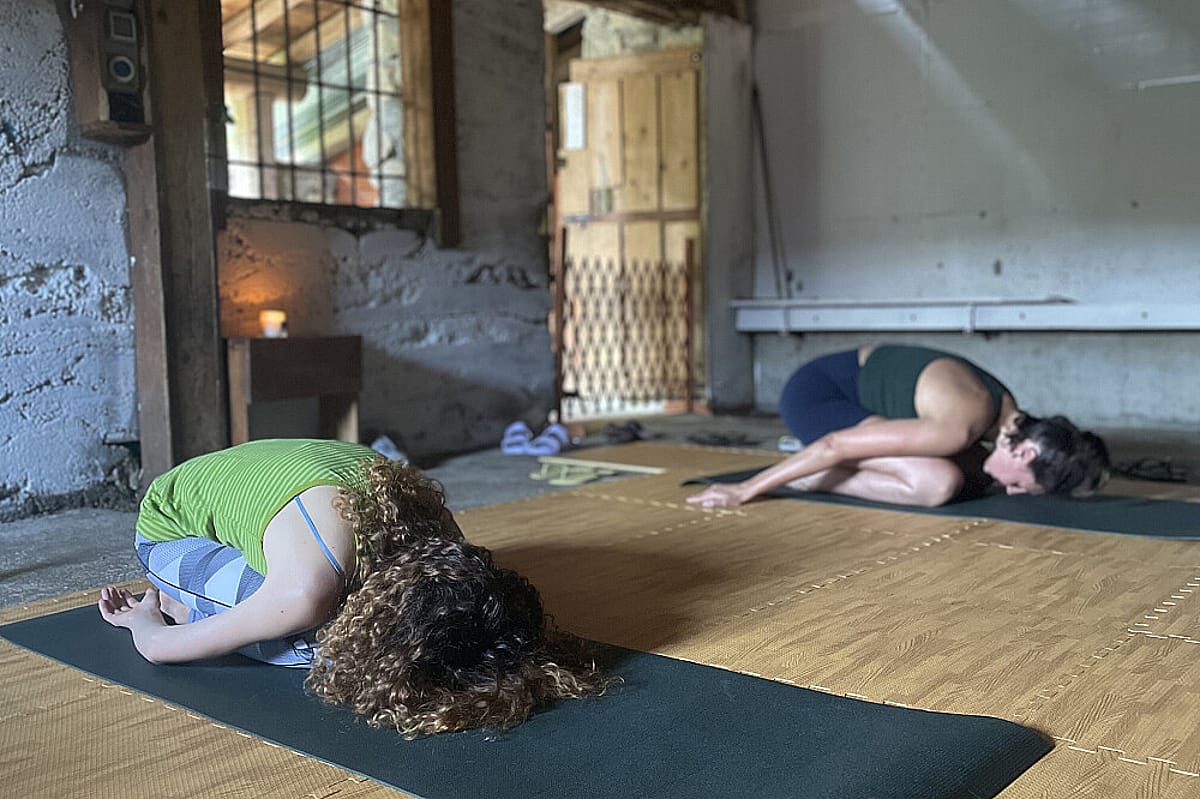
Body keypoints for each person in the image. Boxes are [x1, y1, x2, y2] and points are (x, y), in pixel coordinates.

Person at [98, 438, 609, 737]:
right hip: (172, 527)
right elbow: (158, 649)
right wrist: (143, 620)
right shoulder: (308, 588)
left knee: (330, 620)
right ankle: (190, 599)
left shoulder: (443, 540)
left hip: (279, 479)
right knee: (321, 648)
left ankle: (227, 607)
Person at [686, 344, 1110, 509]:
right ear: (1025, 451)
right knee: (936, 482)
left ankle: (815, 466)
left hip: (865, 397)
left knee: (972, 475)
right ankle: (809, 476)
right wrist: (743, 490)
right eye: (1021, 484)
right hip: (820, 396)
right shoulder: (961, 424)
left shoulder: (1006, 412)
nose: (1013, 491)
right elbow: (836, 442)